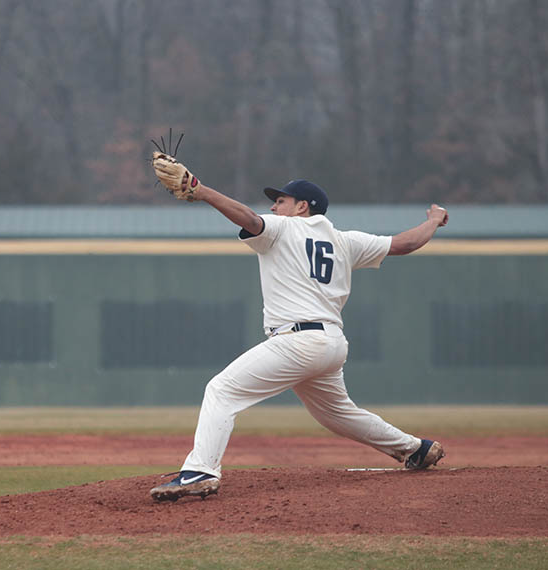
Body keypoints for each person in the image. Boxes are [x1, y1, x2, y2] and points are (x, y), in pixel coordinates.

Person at [148, 162, 449, 502]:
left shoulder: (283, 228)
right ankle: (415, 449)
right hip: (332, 344)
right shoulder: (345, 240)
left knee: (222, 390)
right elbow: (405, 243)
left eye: (281, 201)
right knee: (337, 415)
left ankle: (200, 471)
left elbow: (249, 218)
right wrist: (433, 221)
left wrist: (201, 190)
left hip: (298, 341)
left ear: (302, 206)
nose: (274, 207)